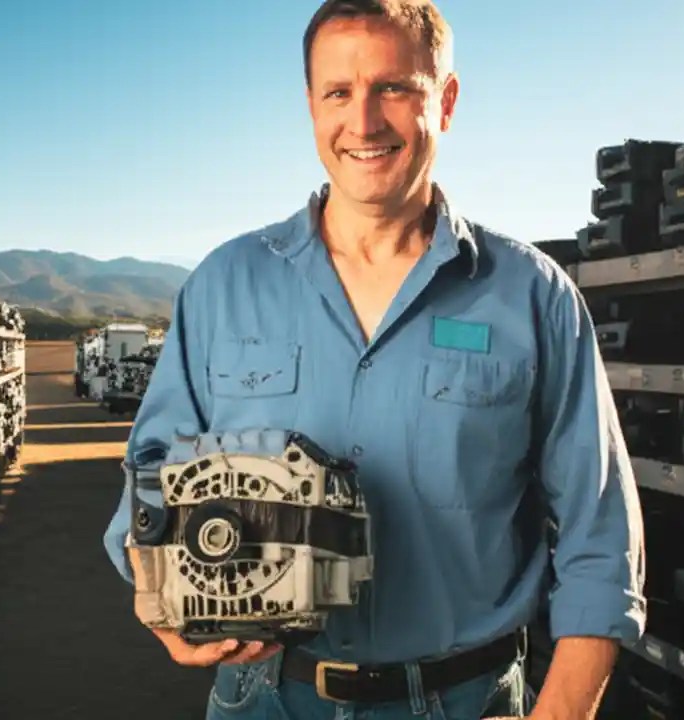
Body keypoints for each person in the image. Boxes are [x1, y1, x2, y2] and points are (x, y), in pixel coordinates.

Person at [102, 0, 646, 718]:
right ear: (310, 105)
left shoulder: (531, 296)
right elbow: (148, 482)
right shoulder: (223, 285)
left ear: (444, 101)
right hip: (265, 698)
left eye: (393, 87)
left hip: (462, 699)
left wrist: (562, 711)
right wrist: (163, 607)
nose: (362, 122)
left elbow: (600, 533)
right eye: (338, 92)